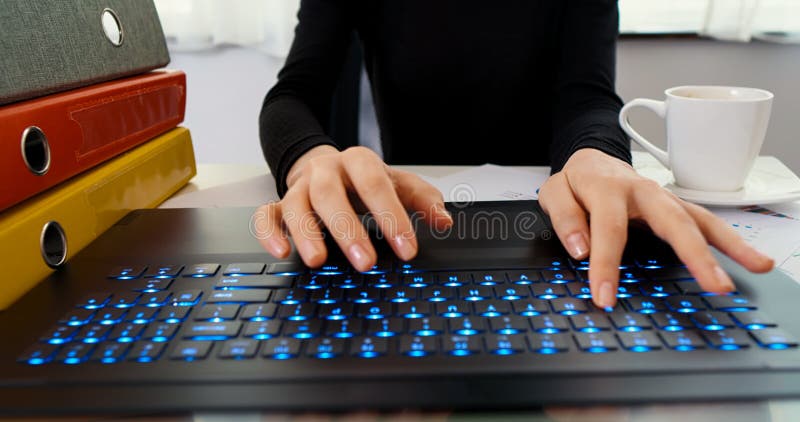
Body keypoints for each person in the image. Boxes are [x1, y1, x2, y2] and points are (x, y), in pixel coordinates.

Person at [256, 0, 773, 309]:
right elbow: (294, 93)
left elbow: (587, 93)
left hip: (548, 243)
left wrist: (598, 154)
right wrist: (311, 158)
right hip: (414, 239)